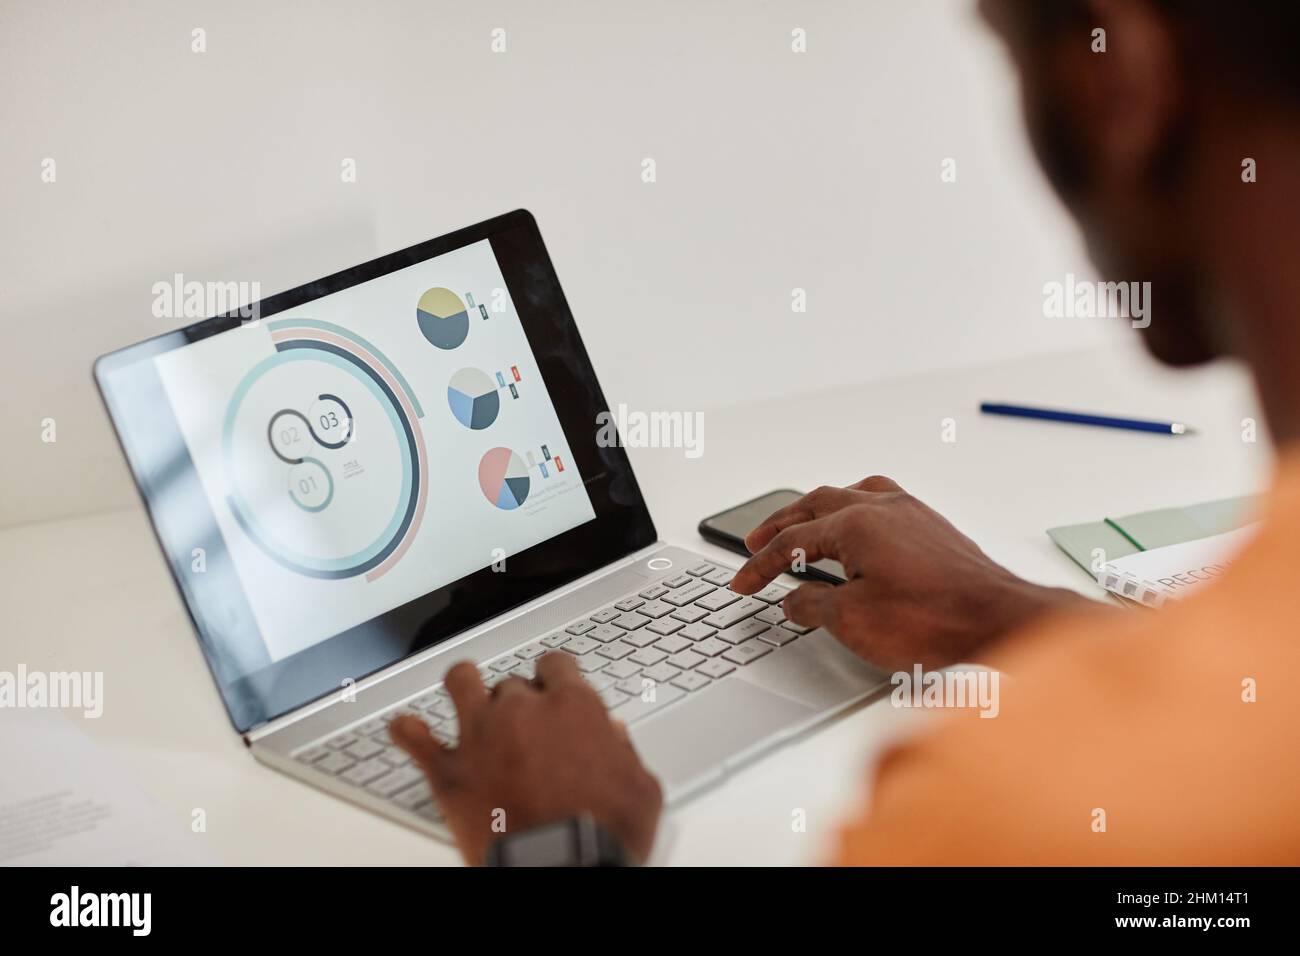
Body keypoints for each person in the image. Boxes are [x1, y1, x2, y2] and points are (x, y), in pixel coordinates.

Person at [391, 0, 1300, 865]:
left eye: (1004, 44)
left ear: (1116, 71)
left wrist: (558, 846)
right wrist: (1002, 614)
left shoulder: (1003, 813)